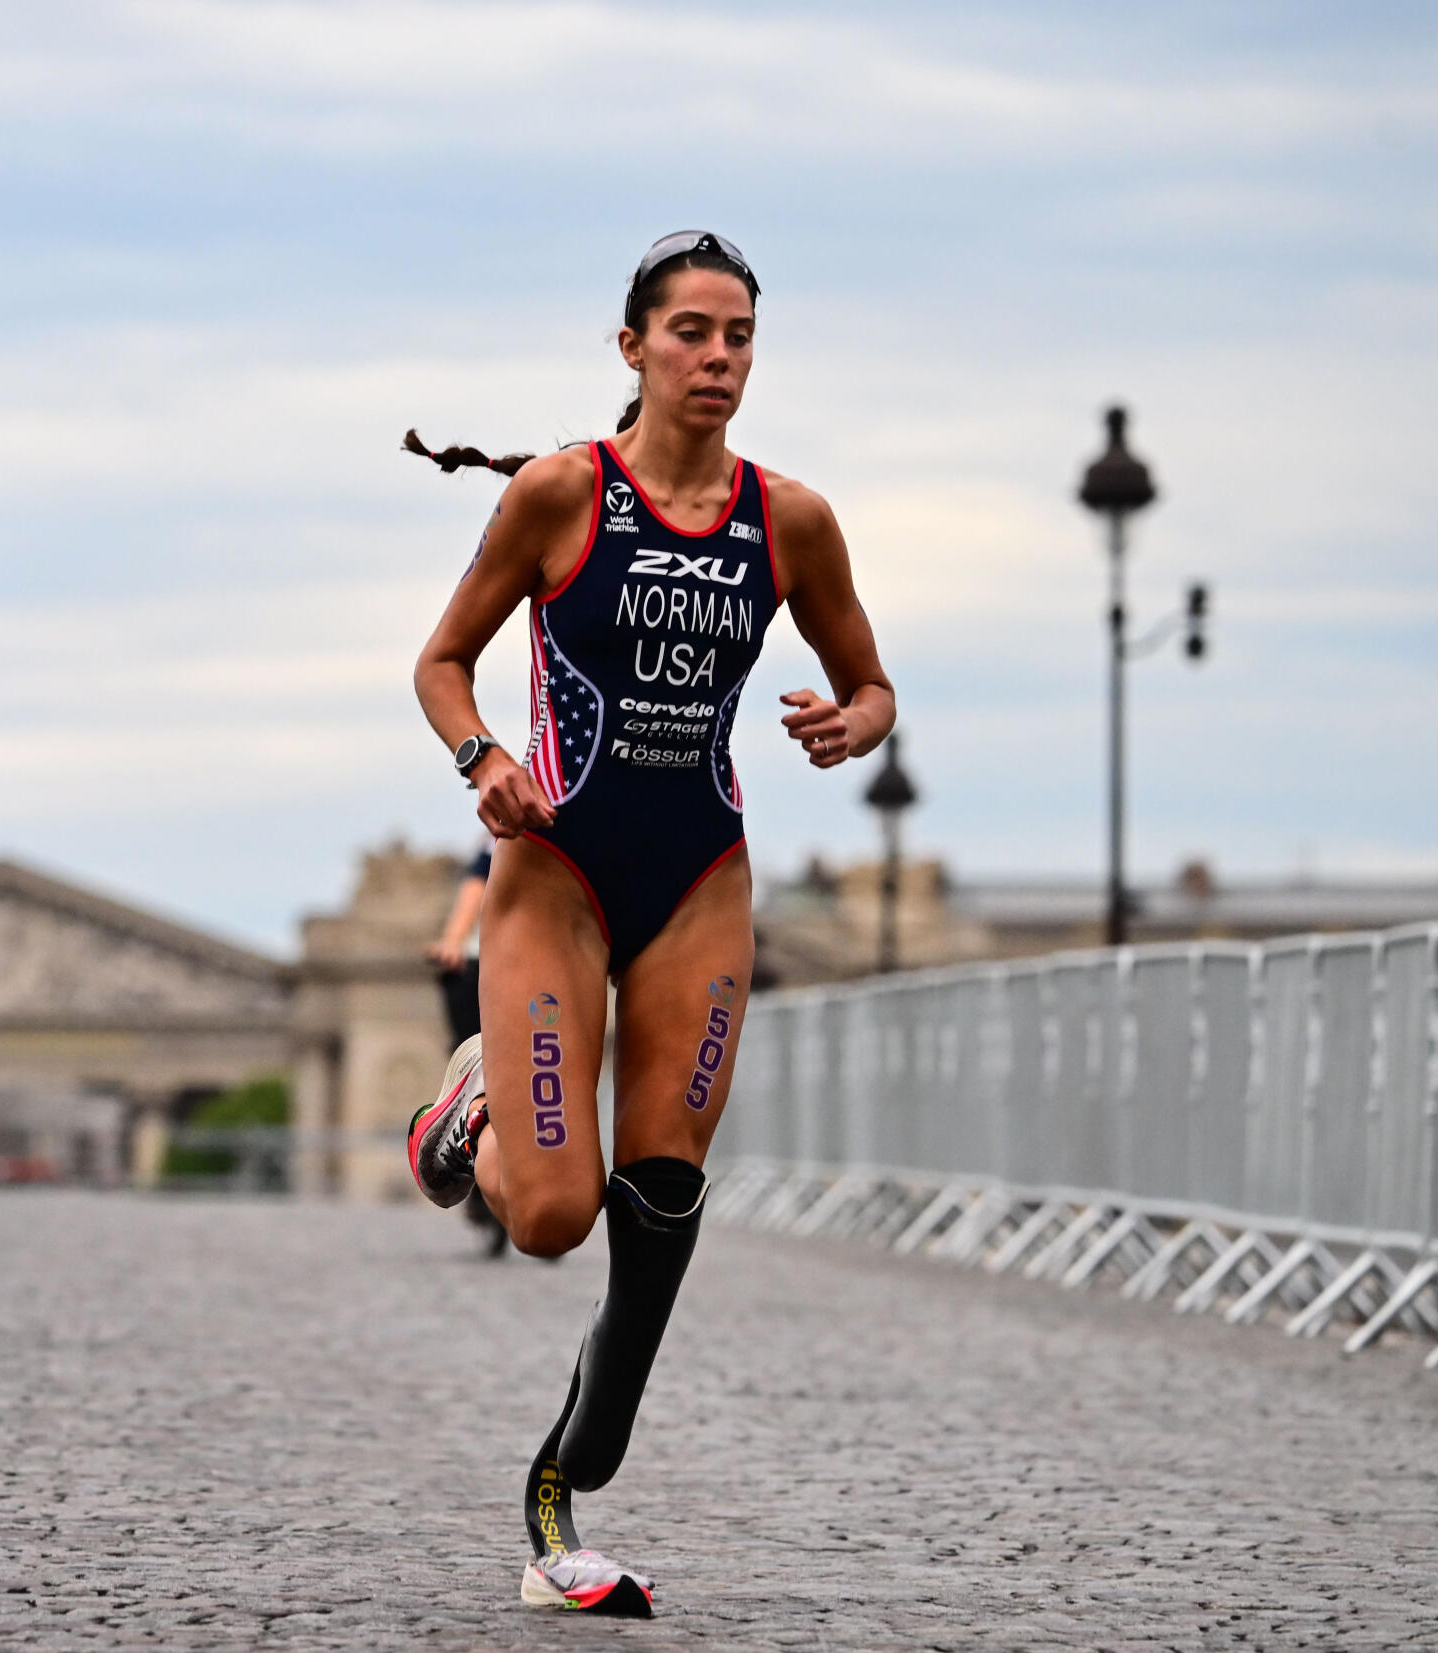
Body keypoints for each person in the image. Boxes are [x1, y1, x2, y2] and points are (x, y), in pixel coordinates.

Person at [407, 231, 895, 1614]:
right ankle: (472, 1118)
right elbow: (442, 661)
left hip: (699, 879)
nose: (718, 358)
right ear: (632, 348)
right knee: (554, 1218)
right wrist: (481, 761)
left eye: (739, 335)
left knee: (663, 1192)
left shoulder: (788, 519)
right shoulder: (564, 495)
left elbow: (872, 684)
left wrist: (848, 722)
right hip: (559, 873)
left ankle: (573, 1471)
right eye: (690, 332)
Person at [424, 842, 509, 1257]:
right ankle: (479, 1173)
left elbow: (476, 886)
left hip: (508, 962)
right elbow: (477, 883)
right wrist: (454, 939)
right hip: (495, 963)